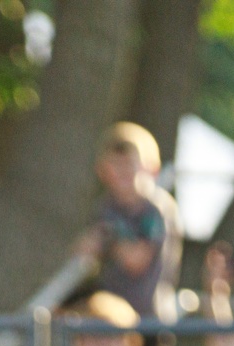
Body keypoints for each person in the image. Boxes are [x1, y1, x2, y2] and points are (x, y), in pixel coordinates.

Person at [75, 121, 180, 326]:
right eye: (116, 164)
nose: (123, 172)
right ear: (102, 171)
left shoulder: (156, 209)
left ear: (150, 168)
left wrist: (106, 240)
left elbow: (137, 260)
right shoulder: (106, 207)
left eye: (129, 164)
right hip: (112, 317)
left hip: (148, 319)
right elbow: (84, 251)